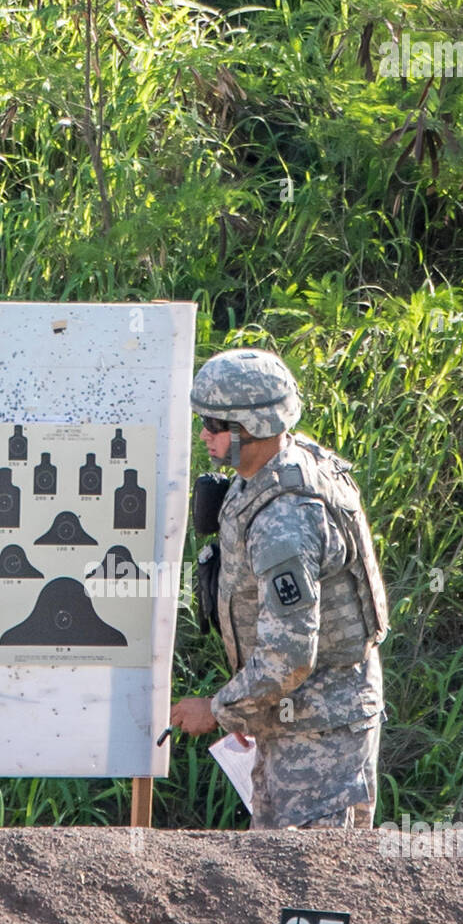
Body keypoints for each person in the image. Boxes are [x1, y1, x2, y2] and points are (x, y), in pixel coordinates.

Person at [171, 348, 388, 836]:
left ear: (250, 426)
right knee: (278, 878)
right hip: (297, 721)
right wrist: (255, 711)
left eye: (214, 423)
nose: (204, 434)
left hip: (320, 734)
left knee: (313, 888)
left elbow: (290, 653)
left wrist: (222, 709)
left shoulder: (284, 519)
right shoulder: (279, 469)